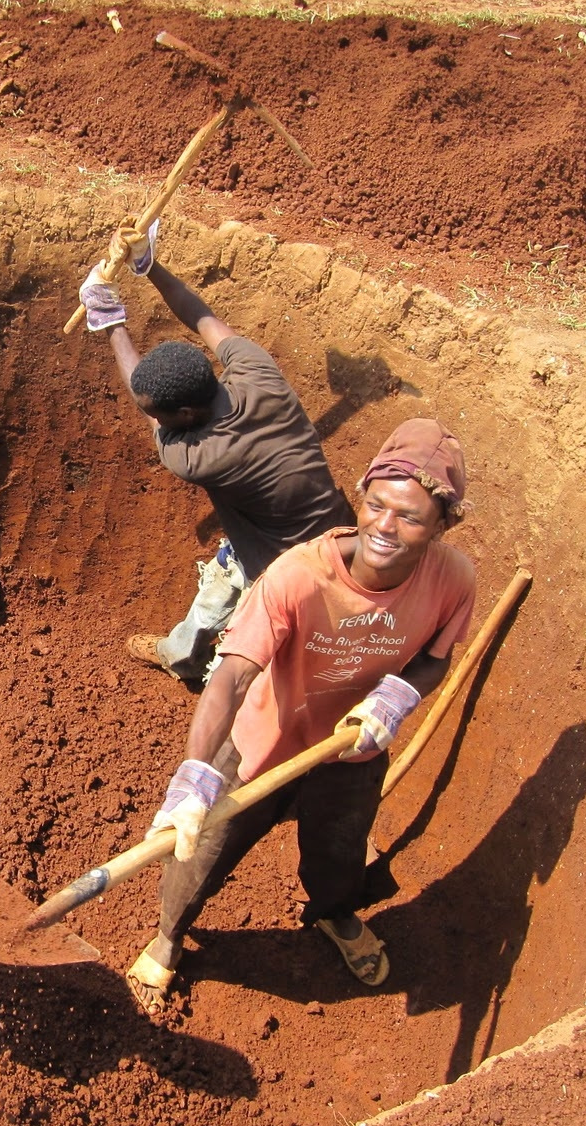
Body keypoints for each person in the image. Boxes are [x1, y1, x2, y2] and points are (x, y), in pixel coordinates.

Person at [124, 419, 476, 1015]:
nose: (384, 527)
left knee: (340, 855)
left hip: (351, 752)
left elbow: (435, 661)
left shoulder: (454, 579)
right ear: (362, 496)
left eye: (410, 517)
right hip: (266, 742)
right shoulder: (297, 576)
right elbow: (232, 675)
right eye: (376, 505)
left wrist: (396, 697)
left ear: (442, 524)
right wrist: (196, 774)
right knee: (202, 849)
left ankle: (335, 915)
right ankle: (169, 935)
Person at [78, 222, 353, 679]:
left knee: (229, 596)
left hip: (284, 565)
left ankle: (183, 659)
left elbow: (143, 400)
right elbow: (201, 316)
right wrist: (149, 266)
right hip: (339, 533)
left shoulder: (197, 457)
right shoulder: (257, 372)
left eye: (163, 416)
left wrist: (110, 323)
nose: (156, 420)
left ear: (186, 414)